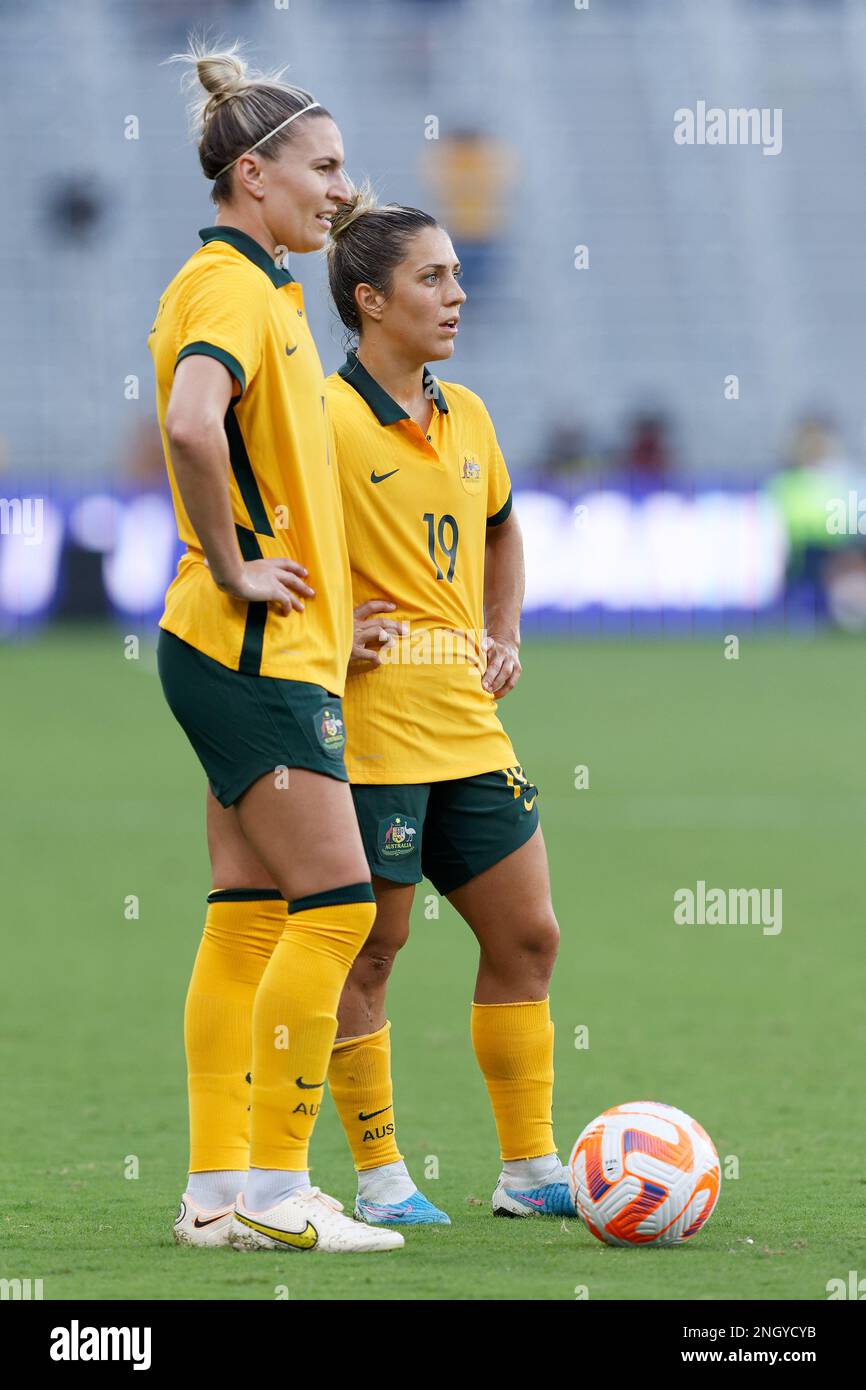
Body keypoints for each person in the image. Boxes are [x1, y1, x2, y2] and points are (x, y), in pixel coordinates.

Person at [207, 183, 573, 1225]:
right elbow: (248, 536)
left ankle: (527, 1169)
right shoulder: (315, 417)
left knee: (529, 935)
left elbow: (500, 526)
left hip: (465, 717)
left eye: (455, 275)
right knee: (370, 946)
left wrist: (503, 630)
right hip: (364, 731)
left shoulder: (469, 414)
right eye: (433, 278)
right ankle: (380, 1175)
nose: (456, 295)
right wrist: (329, 638)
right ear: (370, 299)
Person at [148, 41, 402, 1254]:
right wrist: (240, 563)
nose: (342, 191)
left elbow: (253, 460)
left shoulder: (263, 287)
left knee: (249, 911)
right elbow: (194, 424)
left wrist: (320, 595)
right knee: (340, 905)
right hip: (246, 644)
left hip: (257, 641)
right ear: (255, 173)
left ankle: (212, 1192)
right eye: (326, 168)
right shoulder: (231, 289)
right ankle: (277, 1192)